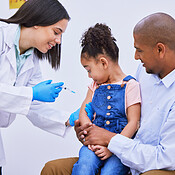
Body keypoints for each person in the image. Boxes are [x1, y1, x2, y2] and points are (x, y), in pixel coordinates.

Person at [41, 12, 175, 175]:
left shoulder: (135, 83)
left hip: (146, 162)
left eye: (139, 50)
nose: (135, 57)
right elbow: (91, 108)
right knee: (53, 169)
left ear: (160, 49)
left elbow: (164, 159)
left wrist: (111, 141)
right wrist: (86, 132)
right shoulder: (145, 71)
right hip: (119, 151)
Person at [0, 0, 71, 174]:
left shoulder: (32, 59)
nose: (59, 40)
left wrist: (70, 120)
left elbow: (32, 105)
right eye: (56, 32)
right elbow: (28, 97)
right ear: (38, 22)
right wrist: (31, 93)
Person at [68, 23, 141, 175]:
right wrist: (88, 129)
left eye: (89, 70)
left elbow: (133, 123)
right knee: (84, 167)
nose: (89, 75)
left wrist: (112, 147)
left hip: (120, 147)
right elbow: (84, 110)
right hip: (93, 144)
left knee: (111, 172)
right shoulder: (94, 86)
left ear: (103, 62)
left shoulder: (130, 86)